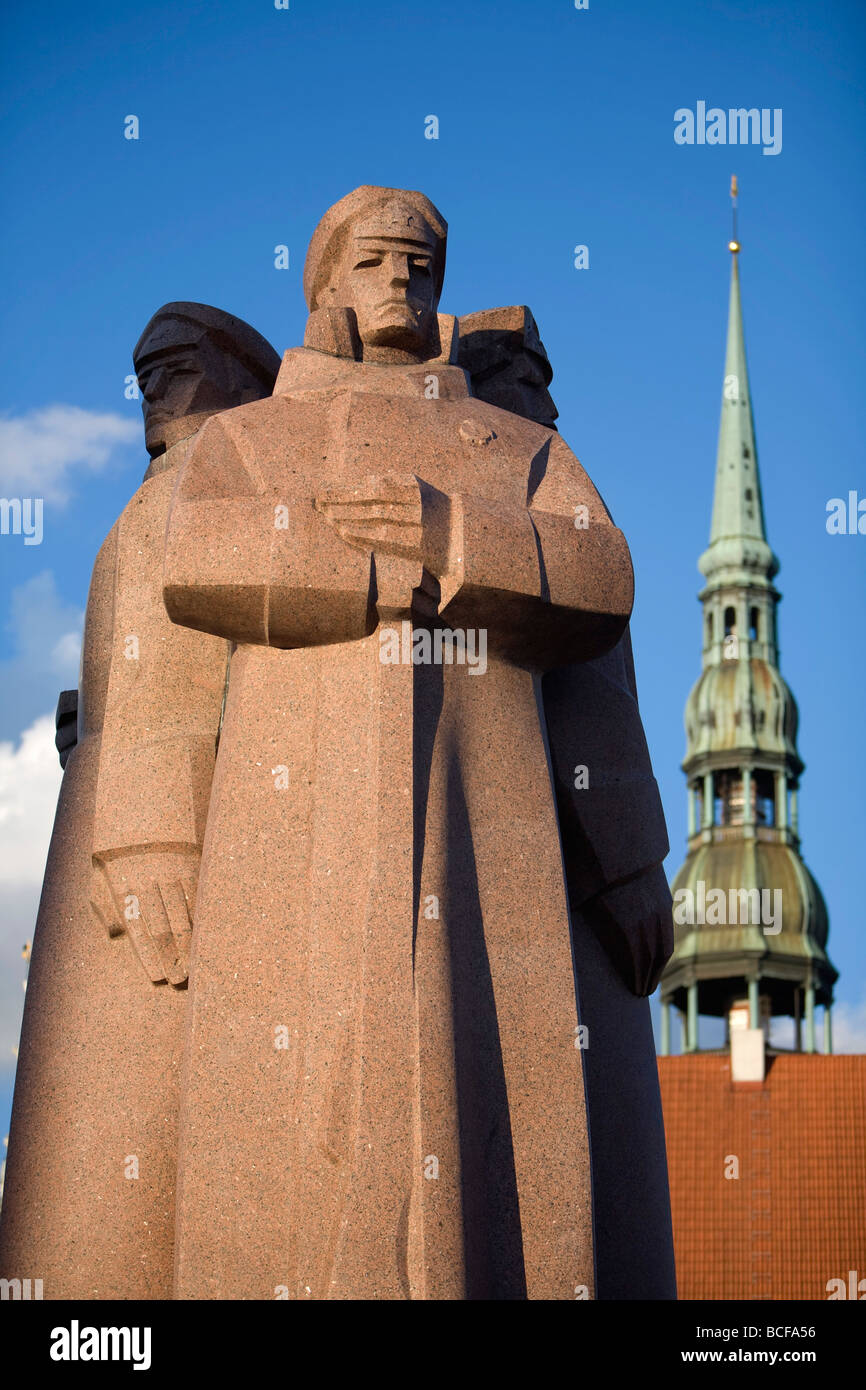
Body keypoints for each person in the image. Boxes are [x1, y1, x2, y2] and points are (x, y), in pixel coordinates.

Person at [161, 187, 662, 1299]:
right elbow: (191, 556)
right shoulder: (252, 436)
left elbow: (602, 576)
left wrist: (454, 539)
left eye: (419, 267)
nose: (399, 283)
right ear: (327, 281)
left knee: (489, 1115)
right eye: (376, 262)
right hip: (293, 817)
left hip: (490, 819)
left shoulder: (517, 446)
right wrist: (374, 572)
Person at [0, 304, 279, 1297]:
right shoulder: (175, 490)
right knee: (108, 1127)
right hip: (126, 833)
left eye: (181, 368)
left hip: (143, 836)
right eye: (148, 374)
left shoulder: (209, 484)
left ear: (247, 382)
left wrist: (152, 821)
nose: (157, 388)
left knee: (125, 1128)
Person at [459, 304, 676, 1298]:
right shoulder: (538, 503)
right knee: (594, 1167)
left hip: (492, 883)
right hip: (566, 890)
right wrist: (631, 867)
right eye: (527, 375)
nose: (544, 398)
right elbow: (593, 709)